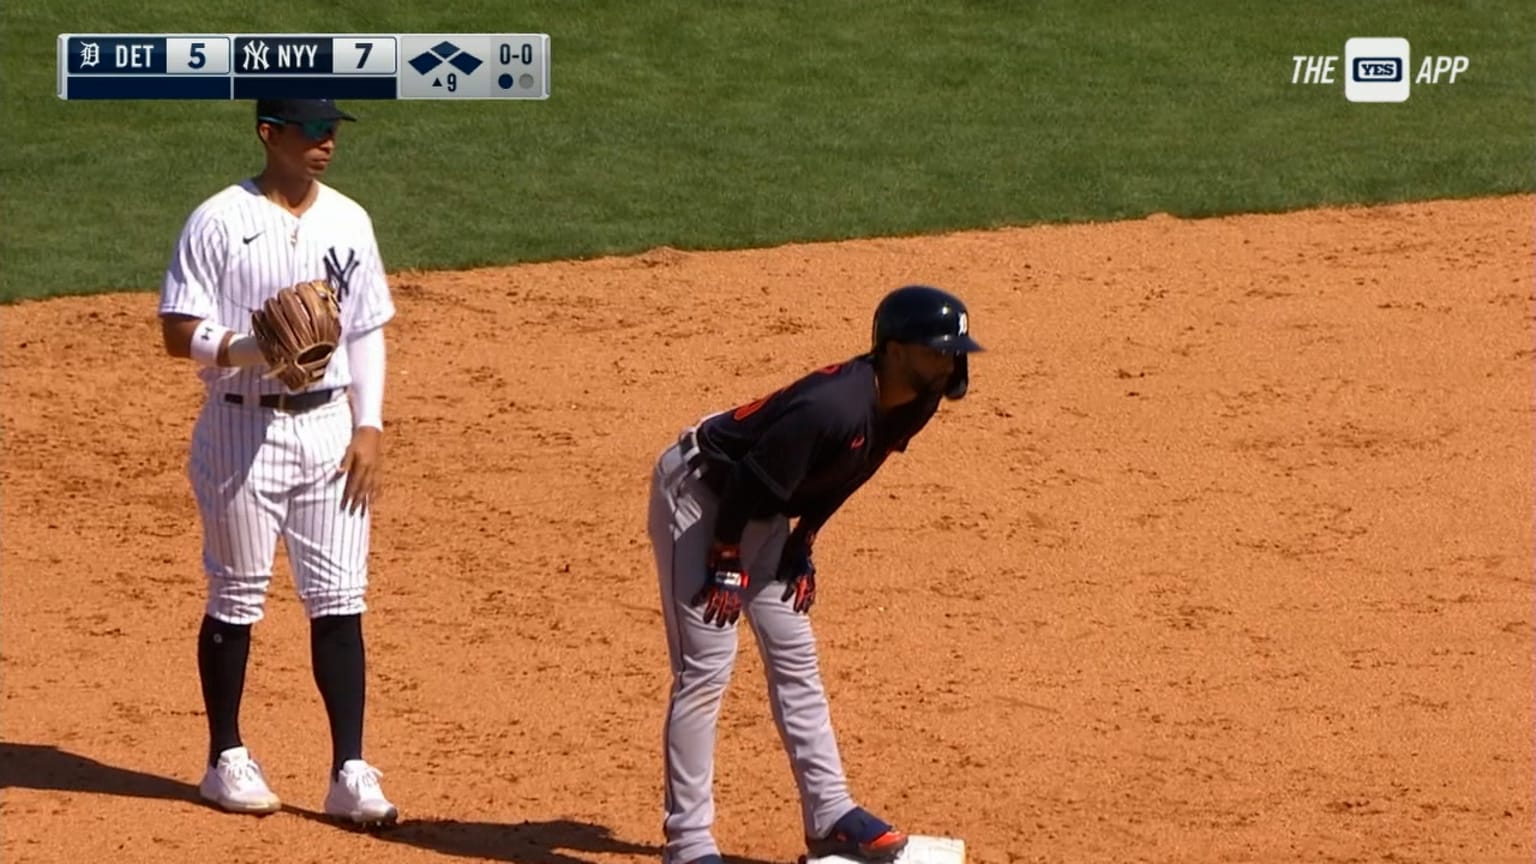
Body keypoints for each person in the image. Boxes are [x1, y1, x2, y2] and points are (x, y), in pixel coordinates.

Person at [645, 285, 985, 864]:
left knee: (794, 655)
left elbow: (855, 467)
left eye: (955, 351)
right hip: (704, 501)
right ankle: (690, 844)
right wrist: (726, 559)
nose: (949, 361)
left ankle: (830, 814)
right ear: (894, 349)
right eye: (936, 350)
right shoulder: (832, 405)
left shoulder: (918, 400)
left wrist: (804, 540)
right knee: (706, 669)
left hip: (764, 511)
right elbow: (750, 479)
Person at [157, 98, 398, 827]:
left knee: (340, 601)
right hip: (240, 433)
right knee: (236, 598)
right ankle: (225, 757)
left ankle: (349, 770)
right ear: (270, 135)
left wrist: (371, 423)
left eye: (332, 131)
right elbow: (176, 331)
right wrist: (249, 349)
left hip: (329, 432)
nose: (327, 143)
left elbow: (366, 328)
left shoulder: (349, 220)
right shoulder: (219, 220)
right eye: (312, 131)